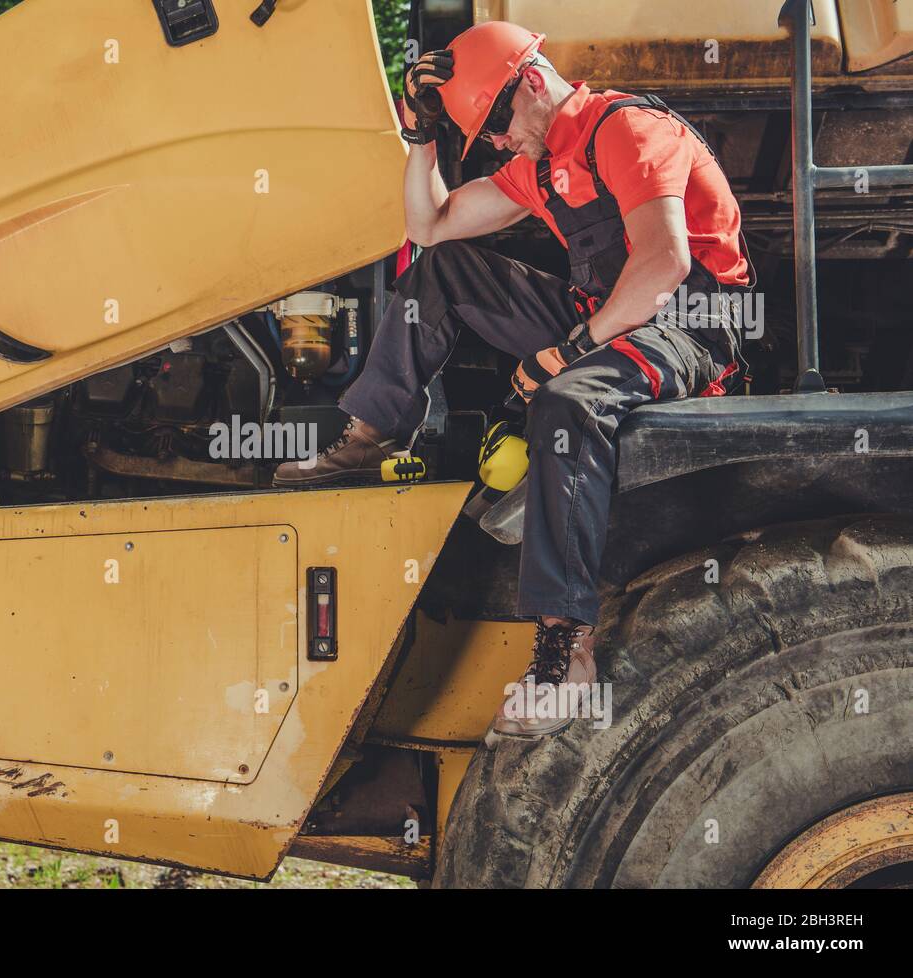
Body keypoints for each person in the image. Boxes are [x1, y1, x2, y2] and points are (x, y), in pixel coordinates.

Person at [273, 21, 752, 740]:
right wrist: (421, 136)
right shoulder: (539, 163)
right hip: (608, 316)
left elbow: (663, 265)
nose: (496, 143)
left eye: (494, 124)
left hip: (689, 327)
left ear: (532, 82)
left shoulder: (628, 130)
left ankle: (566, 654)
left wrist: (567, 352)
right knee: (439, 271)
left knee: (564, 401)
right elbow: (429, 227)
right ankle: (367, 434)